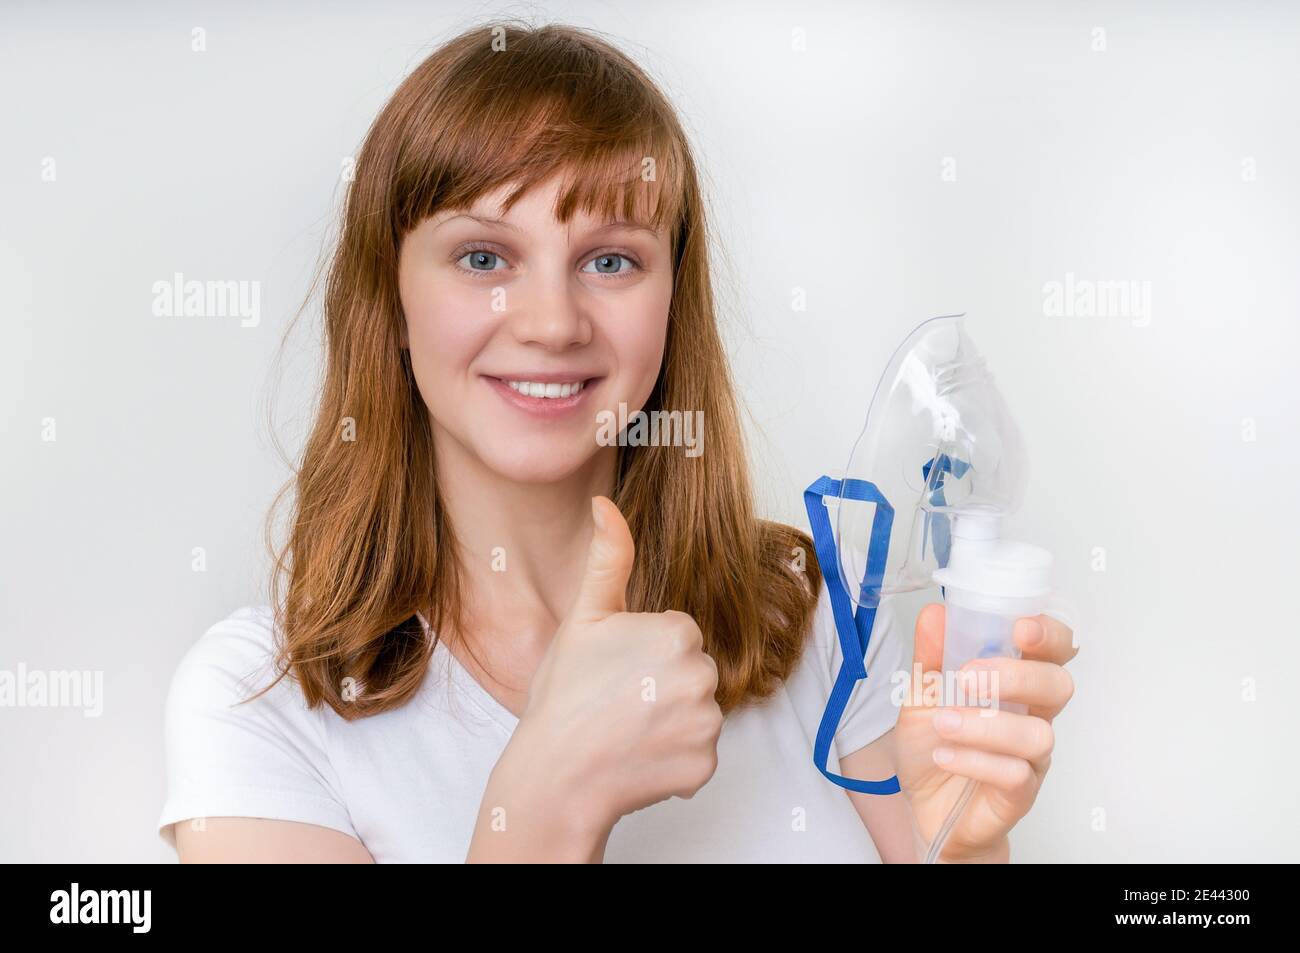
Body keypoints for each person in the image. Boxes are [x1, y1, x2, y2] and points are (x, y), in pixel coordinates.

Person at [157, 20, 1076, 863]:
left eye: (611, 260)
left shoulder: (819, 624)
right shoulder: (259, 704)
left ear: (672, 302)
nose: (553, 323)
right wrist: (548, 799)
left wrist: (959, 843)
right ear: (390, 303)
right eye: (484, 257)